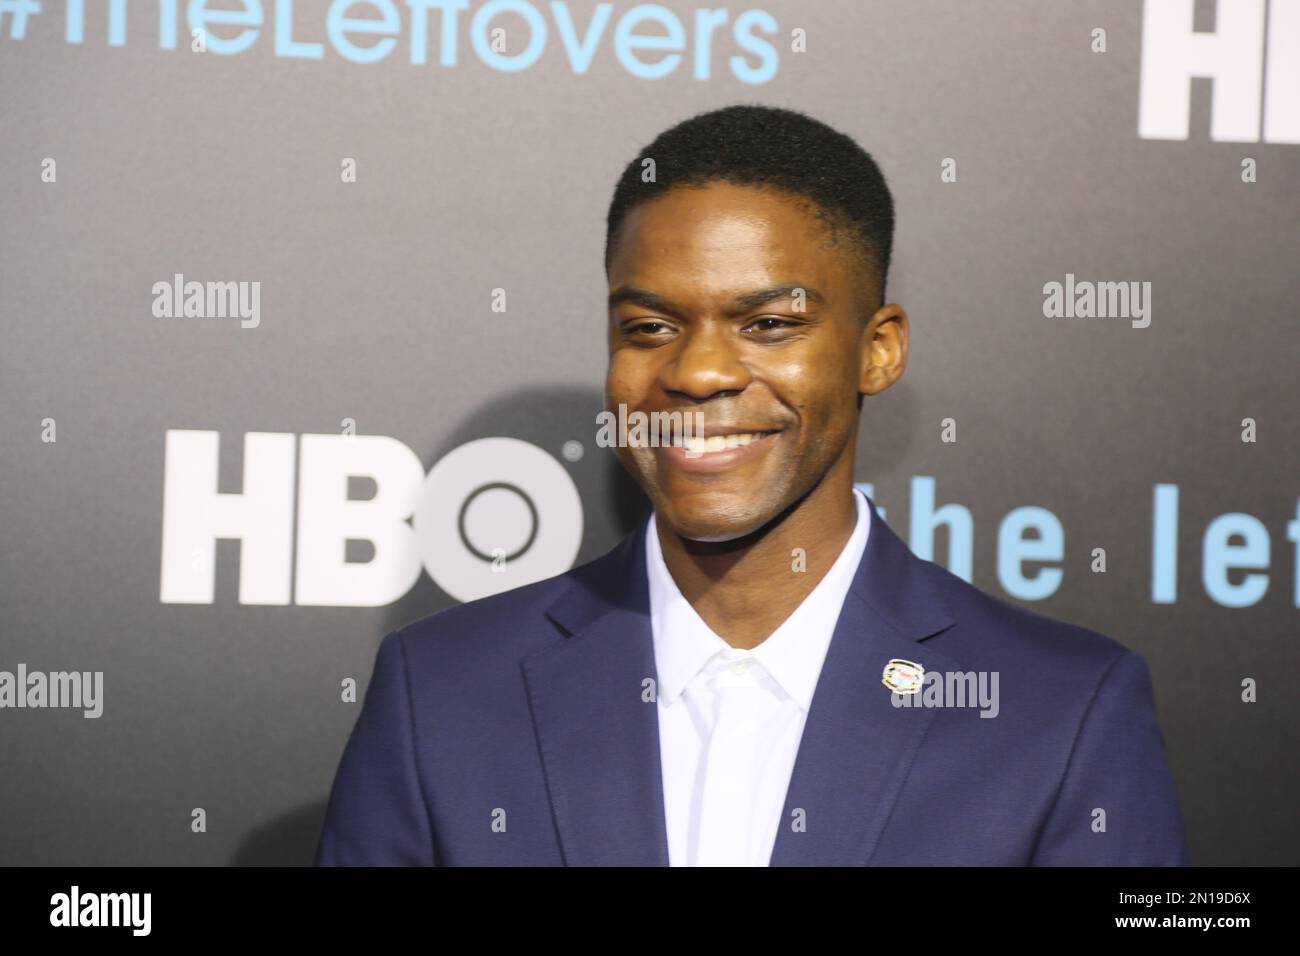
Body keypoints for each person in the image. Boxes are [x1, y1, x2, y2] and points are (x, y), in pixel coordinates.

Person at [316, 104, 1189, 866]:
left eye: (769, 324)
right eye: (650, 325)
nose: (697, 373)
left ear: (876, 349)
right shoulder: (441, 693)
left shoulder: (1062, 711)